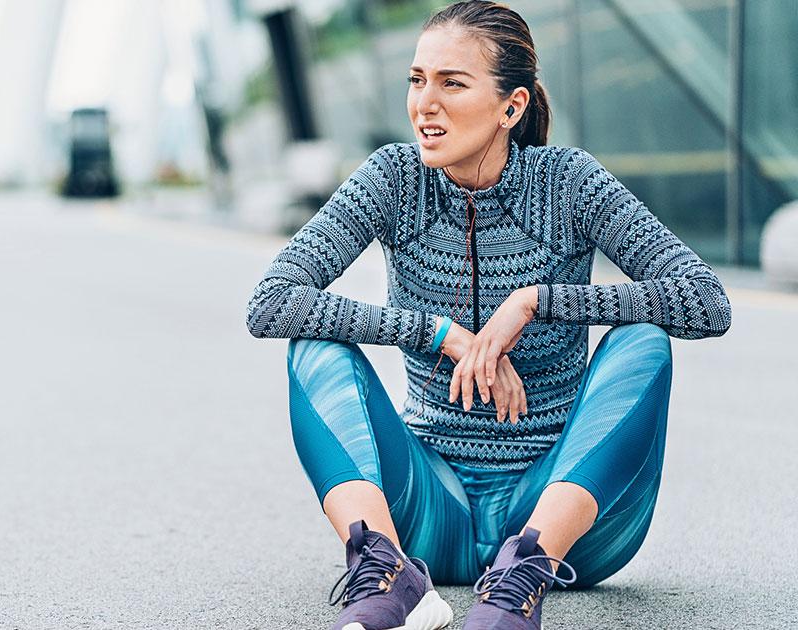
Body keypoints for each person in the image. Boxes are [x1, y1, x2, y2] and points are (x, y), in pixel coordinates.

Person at [243, 2, 733, 629]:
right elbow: (273, 301)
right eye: (417, 79)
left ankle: (520, 579)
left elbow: (703, 299)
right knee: (312, 346)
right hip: (429, 509)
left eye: (452, 83)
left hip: (562, 518)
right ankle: (389, 571)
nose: (425, 103)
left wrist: (536, 301)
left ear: (512, 107)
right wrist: (435, 331)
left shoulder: (568, 184)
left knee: (644, 342)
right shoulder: (394, 179)